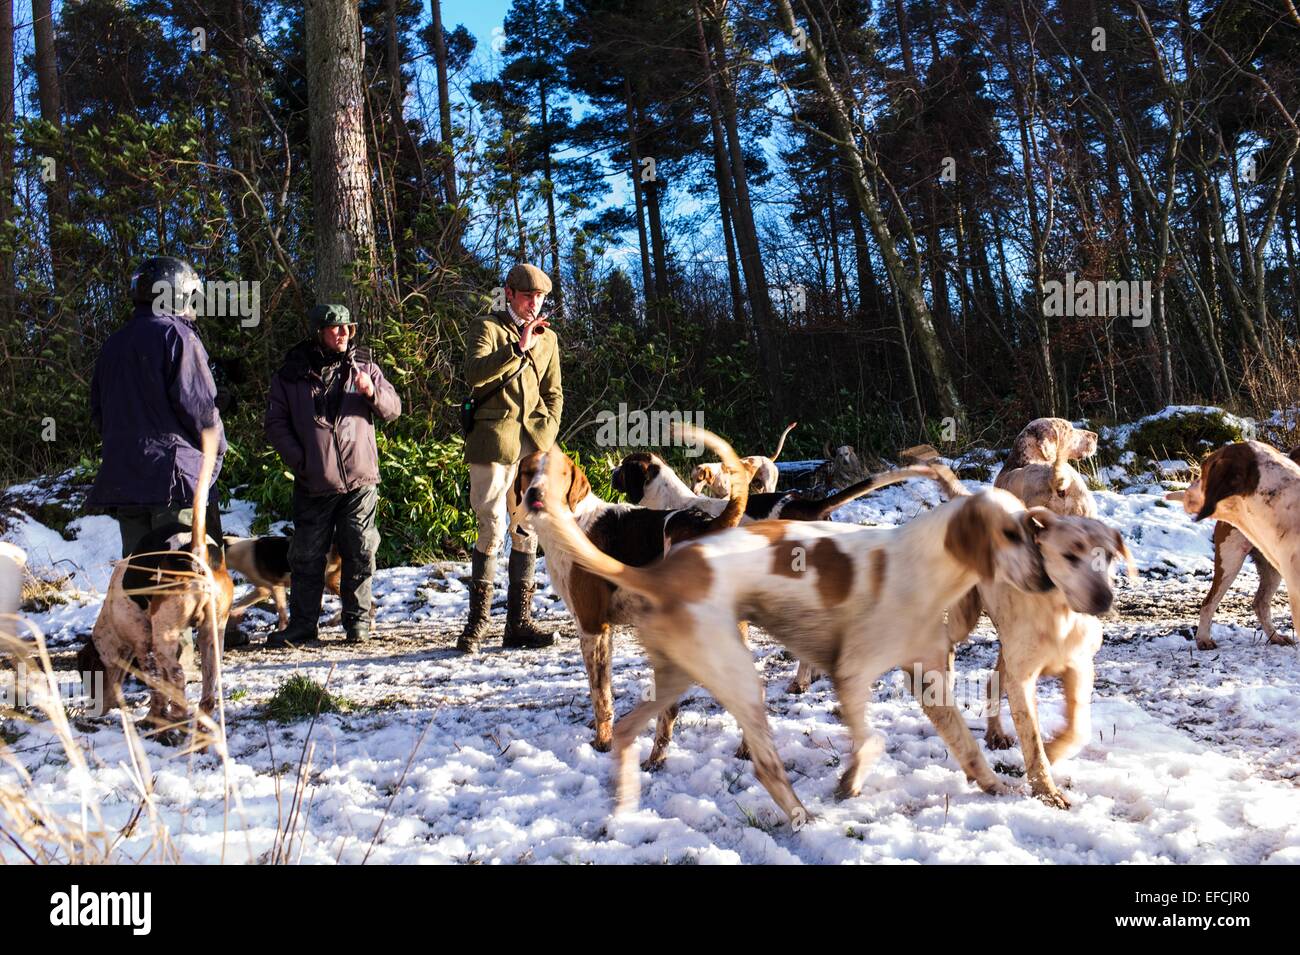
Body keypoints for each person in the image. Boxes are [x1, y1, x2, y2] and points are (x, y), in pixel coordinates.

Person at [264, 304, 401, 647]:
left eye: (347, 328)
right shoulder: (290, 374)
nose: (343, 334)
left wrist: (371, 391)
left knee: (360, 549)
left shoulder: (365, 366)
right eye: (335, 327)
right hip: (314, 482)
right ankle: (302, 627)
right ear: (318, 331)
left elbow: (393, 410)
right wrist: (304, 462)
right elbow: (276, 425)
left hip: (360, 479)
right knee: (307, 556)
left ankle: (357, 624)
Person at [88, 255, 227, 559]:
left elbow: (99, 414)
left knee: (141, 584)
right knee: (185, 583)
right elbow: (201, 409)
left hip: (126, 482)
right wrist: (218, 449)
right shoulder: (177, 336)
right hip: (173, 482)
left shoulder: (113, 345)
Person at [458, 263, 564, 653]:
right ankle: (477, 625)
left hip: (533, 443)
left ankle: (519, 623)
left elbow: (555, 392)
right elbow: (474, 374)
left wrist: (547, 432)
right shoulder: (486, 327)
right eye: (527, 296)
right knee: (492, 528)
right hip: (493, 441)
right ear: (509, 293)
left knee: (528, 529)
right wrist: (517, 346)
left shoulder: (549, 339)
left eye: (540, 298)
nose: (534, 304)